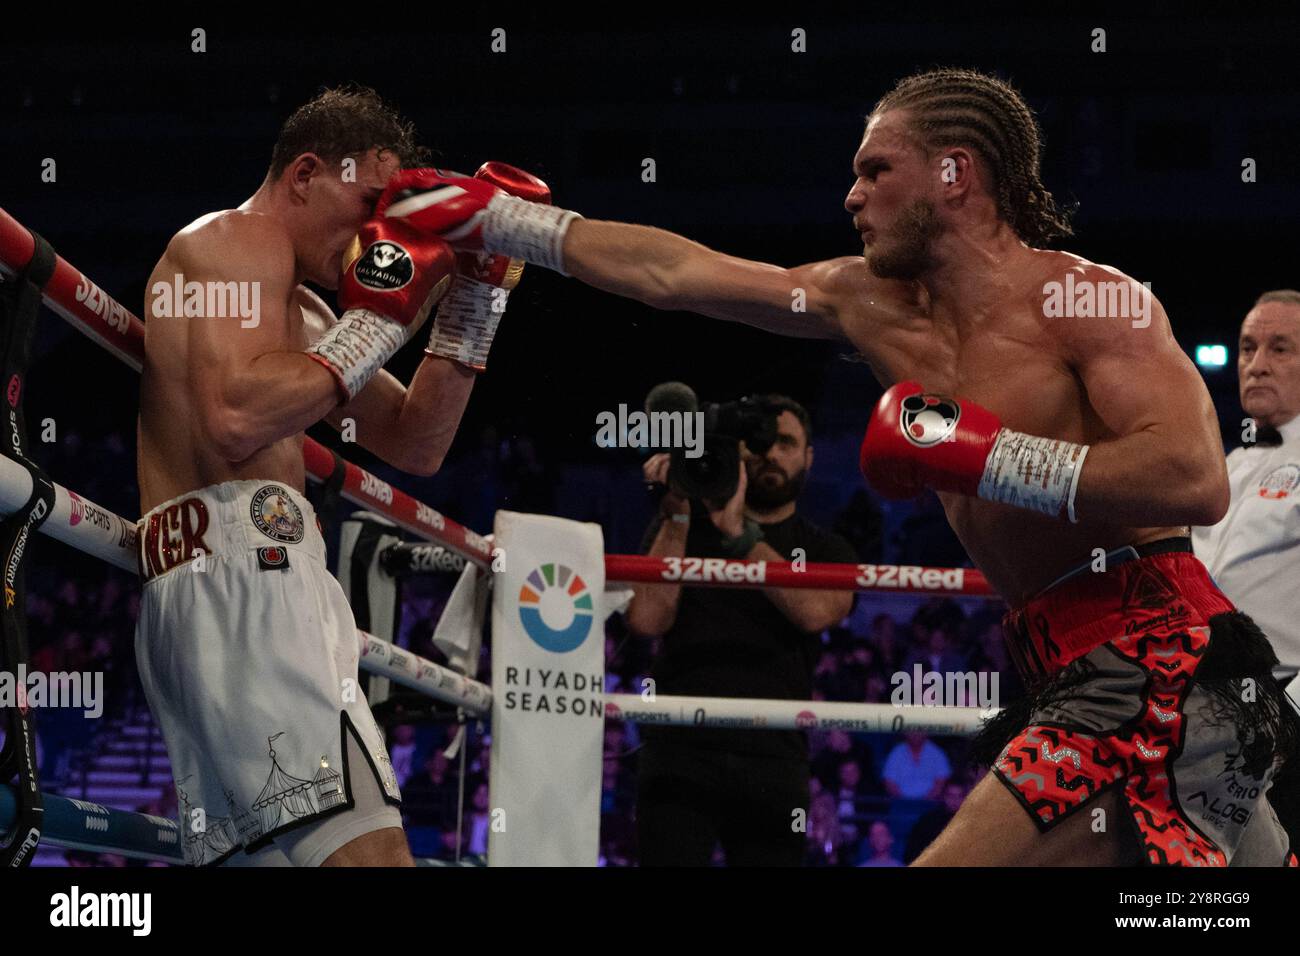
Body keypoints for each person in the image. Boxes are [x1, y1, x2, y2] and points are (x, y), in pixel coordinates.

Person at [386, 66, 1298, 865]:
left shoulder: (1090, 300)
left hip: (1157, 652)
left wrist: (986, 457)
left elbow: (1191, 478)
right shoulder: (868, 303)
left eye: (875, 170)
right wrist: (508, 220)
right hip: (1066, 662)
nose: (852, 197)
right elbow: (681, 272)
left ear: (955, 175)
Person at [134, 85, 547, 866]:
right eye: (365, 204)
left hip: (217, 591)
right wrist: (386, 312)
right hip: (251, 585)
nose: (373, 234)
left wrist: (473, 298)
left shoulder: (305, 313)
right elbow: (233, 419)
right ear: (305, 173)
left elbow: (416, 442)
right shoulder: (236, 239)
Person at [624, 396, 857, 865]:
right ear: (737, 451)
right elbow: (647, 620)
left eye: (785, 443)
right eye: (760, 444)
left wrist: (742, 536)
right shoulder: (682, 527)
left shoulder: (825, 546)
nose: (771, 454)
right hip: (678, 749)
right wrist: (677, 511)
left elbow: (817, 611)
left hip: (773, 756)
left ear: (808, 455)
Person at [1193, 290, 1300, 698]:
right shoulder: (1226, 465)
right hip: (1201, 700)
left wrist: (1293, 710)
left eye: (1280, 349)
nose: (1257, 367)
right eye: (1248, 348)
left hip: (1282, 702)